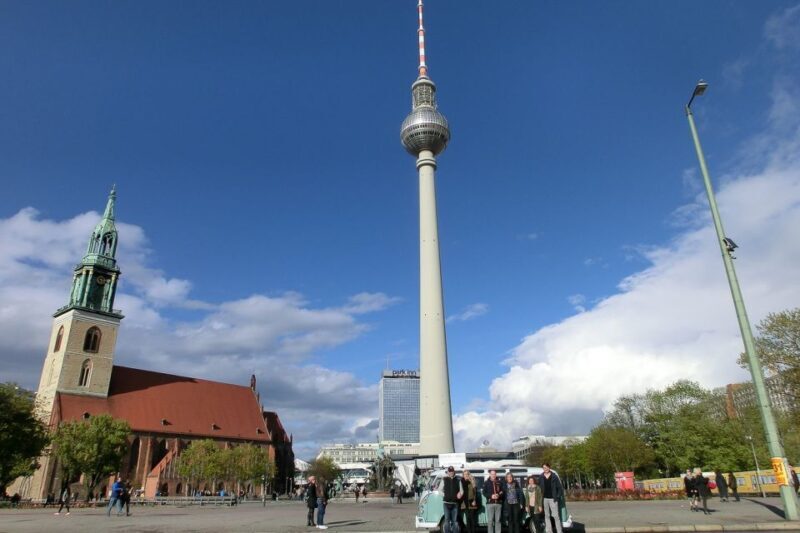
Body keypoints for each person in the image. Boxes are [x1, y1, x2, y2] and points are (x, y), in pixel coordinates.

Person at [539, 463, 564, 533]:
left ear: (549, 467)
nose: (545, 469)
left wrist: (558, 496)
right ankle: (549, 531)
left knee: (556, 516)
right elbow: (538, 488)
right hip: (544, 499)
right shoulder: (541, 477)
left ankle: (559, 531)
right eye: (544, 467)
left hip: (553, 499)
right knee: (546, 516)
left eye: (546, 467)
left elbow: (560, 488)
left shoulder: (554, 476)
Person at [440, 466, 463, 533]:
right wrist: (445, 495)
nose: (451, 473)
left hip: (455, 504)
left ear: (454, 472)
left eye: (452, 471)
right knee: (447, 520)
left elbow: (462, 491)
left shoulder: (458, 480)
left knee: (455, 521)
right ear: (448, 472)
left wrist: (460, 494)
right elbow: (439, 490)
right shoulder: (444, 479)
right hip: (446, 503)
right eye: (449, 471)